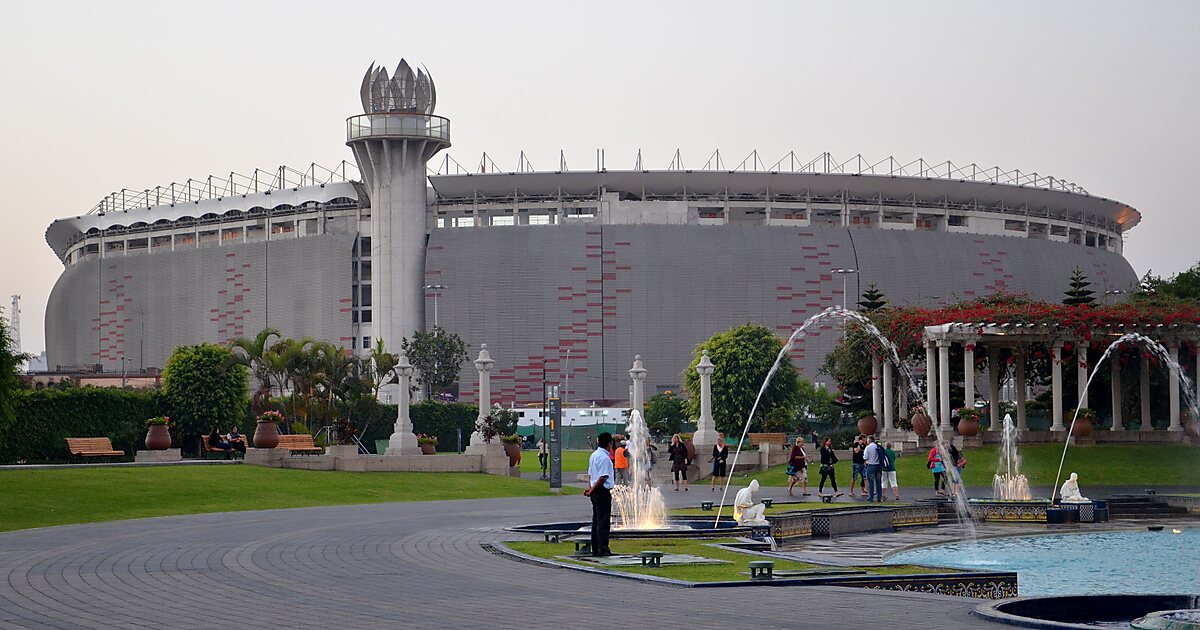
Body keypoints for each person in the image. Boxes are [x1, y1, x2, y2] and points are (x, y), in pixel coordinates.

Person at [584, 432, 616, 557]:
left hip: (595, 490)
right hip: (602, 490)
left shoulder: (594, 455)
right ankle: (603, 548)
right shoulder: (604, 458)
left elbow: (590, 474)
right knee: (603, 520)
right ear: (609, 444)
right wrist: (593, 489)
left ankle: (596, 548)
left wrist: (590, 488)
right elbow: (603, 476)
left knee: (596, 520)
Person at [863, 435, 884, 502]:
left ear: (869, 440)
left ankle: (870, 497)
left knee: (871, 482)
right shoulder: (878, 446)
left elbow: (865, 457)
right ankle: (879, 497)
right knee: (878, 482)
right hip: (878, 466)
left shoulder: (868, 447)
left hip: (871, 465)